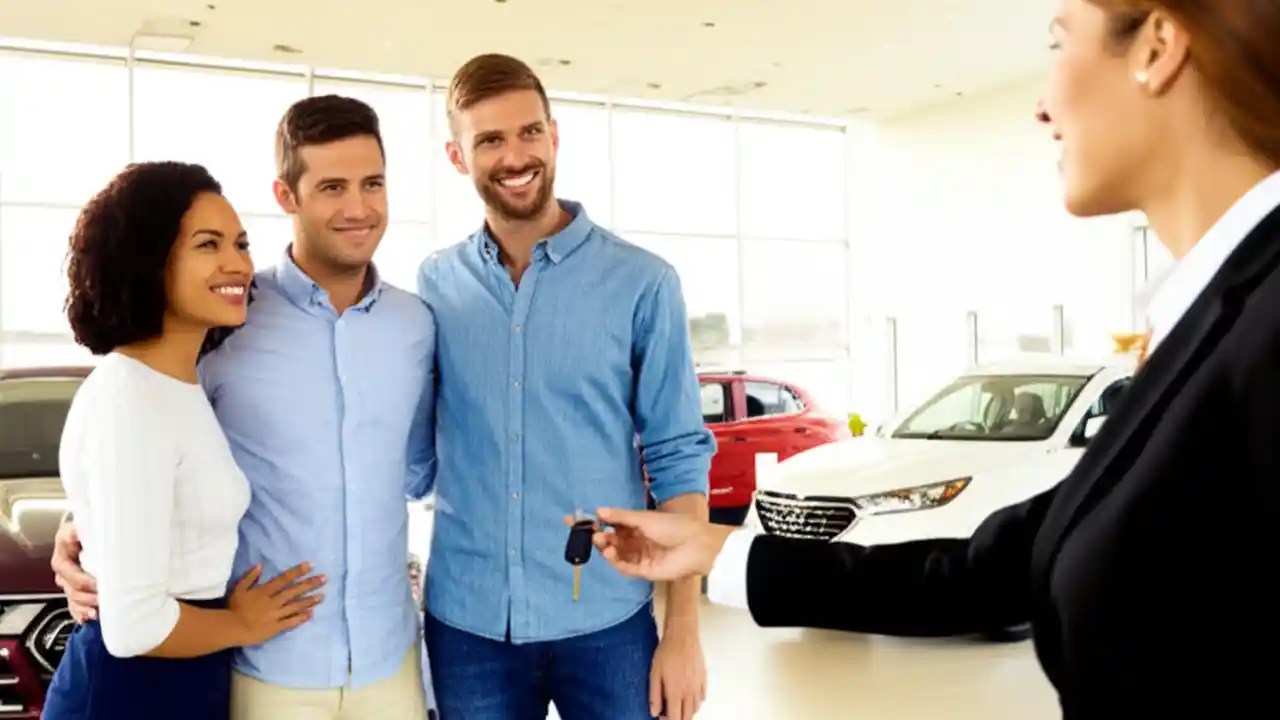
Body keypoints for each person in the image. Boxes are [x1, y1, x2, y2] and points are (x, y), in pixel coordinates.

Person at [589, 1, 1279, 717]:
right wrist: (711, 550)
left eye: (1058, 42)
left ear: (1158, 46)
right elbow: (979, 576)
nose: (1042, 107)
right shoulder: (1201, 325)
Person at [51, 96, 438, 720]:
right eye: (333, 186)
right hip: (264, 669)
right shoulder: (225, 324)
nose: (358, 208)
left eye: (373, 183)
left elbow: (421, 469)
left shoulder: (416, 326)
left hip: (387, 660)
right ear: (287, 194)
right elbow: (130, 442)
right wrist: (85, 529)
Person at [415, 53, 715, 720]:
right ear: (458, 156)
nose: (514, 155)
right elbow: (412, 452)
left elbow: (677, 457)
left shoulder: (644, 283)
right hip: (468, 627)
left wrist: (684, 632)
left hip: (608, 620)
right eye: (489, 139)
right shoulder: (435, 287)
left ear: (555, 135)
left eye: (528, 132)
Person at [42, 161, 325, 719]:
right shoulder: (129, 395)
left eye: (241, 244)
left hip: (182, 679)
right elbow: (134, 626)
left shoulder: (176, 384)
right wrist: (244, 622)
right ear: (150, 260)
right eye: (208, 244)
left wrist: (79, 528)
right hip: (131, 691)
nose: (238, 264)